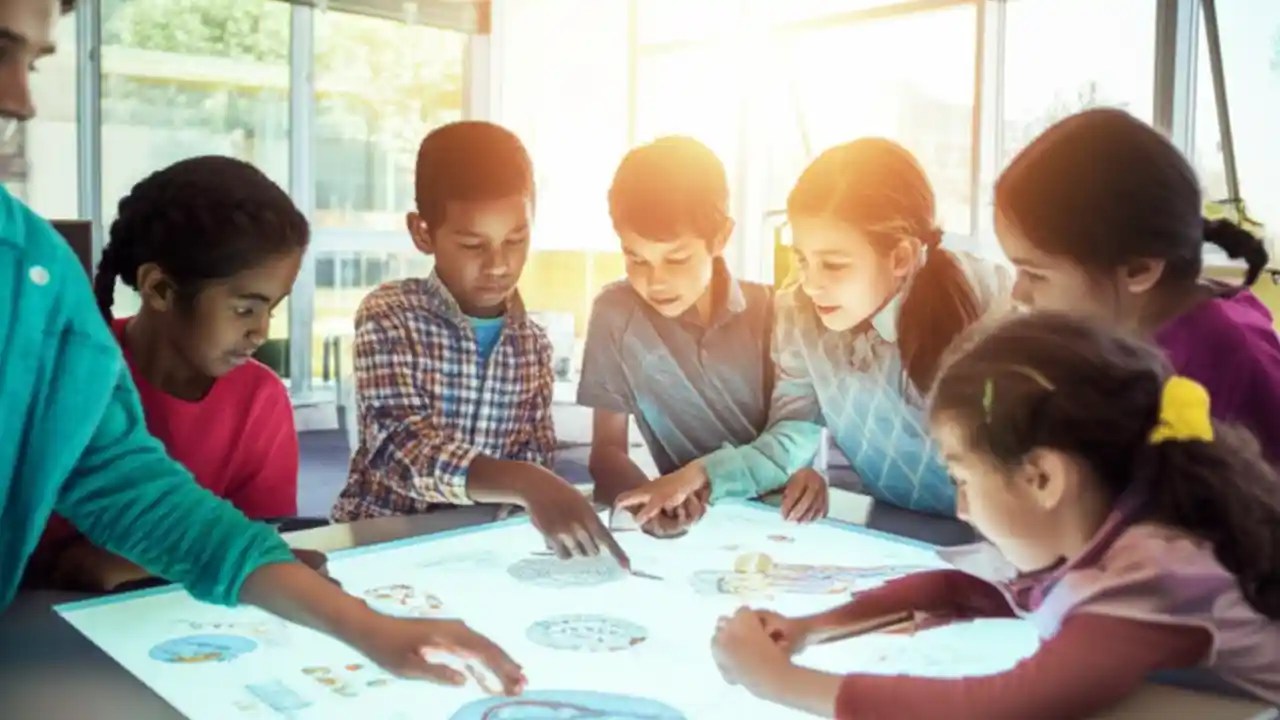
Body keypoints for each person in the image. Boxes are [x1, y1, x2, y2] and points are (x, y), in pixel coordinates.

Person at [0, 0, 524, 694]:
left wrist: (370, 628)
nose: (22, 102)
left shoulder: (32, 271)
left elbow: (144, 502)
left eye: (31, 63)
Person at [710, 312, 1280, 718]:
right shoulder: (1121, 527)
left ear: (1042, 478)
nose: (960, 505)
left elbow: (997, 707)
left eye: (962, 479)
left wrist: (778, 681)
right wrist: (812, 628)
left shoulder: (1152, 581)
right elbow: (968, 590)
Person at [617, 138, 1010, 523]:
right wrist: (696, 477)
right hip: (899, 530)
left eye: (834, 265)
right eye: (802, 260)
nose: (811, 283)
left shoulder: (992, 301)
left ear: (901, 257)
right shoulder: (800, 314)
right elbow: (788, 441)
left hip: (1007, 534)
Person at [332, 121, 628, 567]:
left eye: (516, 239)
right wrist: (527, 482)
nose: (499, 265)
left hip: (479, 550)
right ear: (423, 233)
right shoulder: (390, 314)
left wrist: (533, 489)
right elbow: (400, 447)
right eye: (473, 245)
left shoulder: (533, 347)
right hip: (383, 545)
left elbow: (535, 455)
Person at [30, 156, 305, 592]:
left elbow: (256, 546)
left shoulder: (261, 398)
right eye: (244, 308)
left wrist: (130, 562)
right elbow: (76, 569)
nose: (261, 330)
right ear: (159, 289)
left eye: (272, 307)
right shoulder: (71, 378)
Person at [994, 108, 1280, 461]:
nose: (1018, 294)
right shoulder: (1131, 331)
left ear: (1139, 270)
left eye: (1035, 275)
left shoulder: (1229, 367)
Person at [579, 136, 825, 537]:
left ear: (721, 237)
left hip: (779, 522)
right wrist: (649, 497)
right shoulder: (615, 314)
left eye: (676, 258)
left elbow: (795, 434)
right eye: (635, 257)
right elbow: (606, 451)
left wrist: (808, 474)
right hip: (693, 528)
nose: (654, 281)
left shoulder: (775, 313)